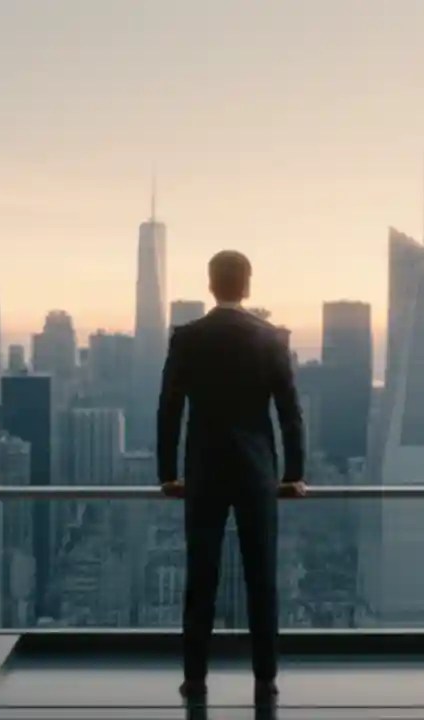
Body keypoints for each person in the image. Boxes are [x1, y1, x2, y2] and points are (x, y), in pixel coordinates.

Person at [157, 249, 307, 705]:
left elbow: (169, 409)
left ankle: (194, 679)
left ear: (210, 284)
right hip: (256, 472)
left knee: (201, 577)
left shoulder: (187, 338)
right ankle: (265, 679)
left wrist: (168, 474)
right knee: (261, 577)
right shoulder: (270, 338)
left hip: (203, 472)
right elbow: (289, 413)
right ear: (247, 284)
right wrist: (293, 474)